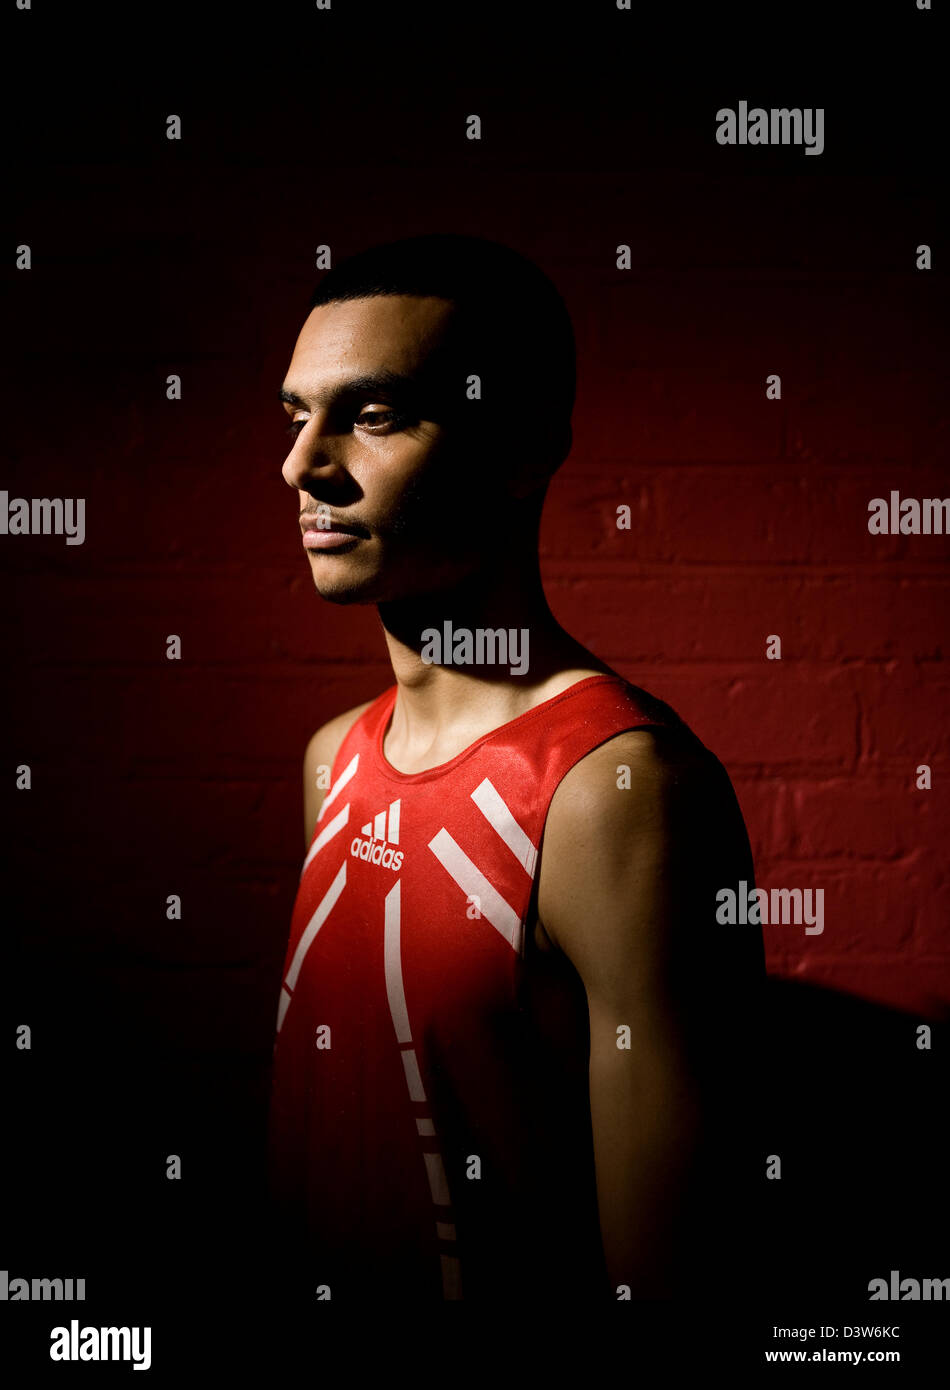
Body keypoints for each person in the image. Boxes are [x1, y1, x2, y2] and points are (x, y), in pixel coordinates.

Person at [267, 233, 765, 1306]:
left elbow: (673, 1296)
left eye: (373, 414)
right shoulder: (333, 760)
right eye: (295, 415)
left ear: (521, 449)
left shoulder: (612, 795)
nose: (301, 465)